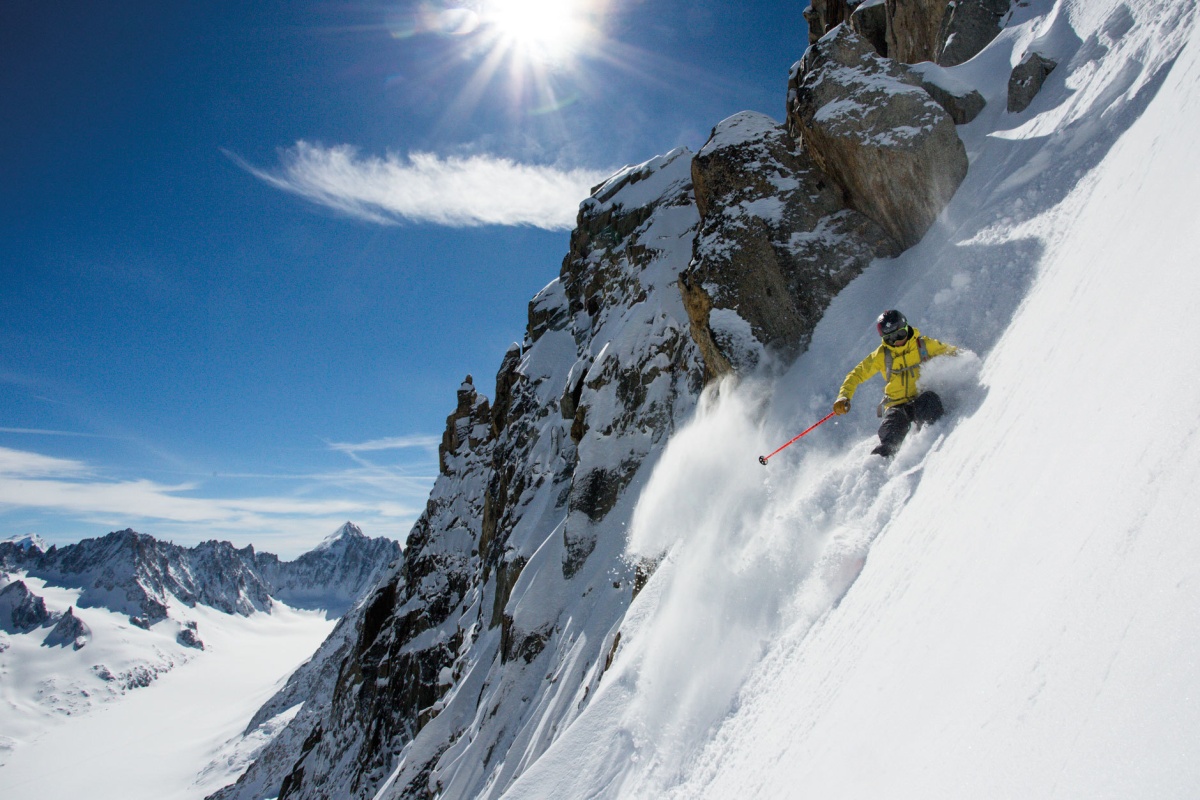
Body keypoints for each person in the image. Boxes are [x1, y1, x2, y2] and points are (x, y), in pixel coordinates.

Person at [832, 310, 958, 457]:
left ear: (907, 329)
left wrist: (969, 365)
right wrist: (844, 396)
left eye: (900, 334)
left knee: (930, 402)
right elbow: (856, 375)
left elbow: (952, 352)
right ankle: (881, 461)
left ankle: (936, 444)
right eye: (890, 338)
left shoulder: (923, 345)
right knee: (890, 433)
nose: (897, 341)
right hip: (897, 405)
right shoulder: (882, 355)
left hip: (921, 398)